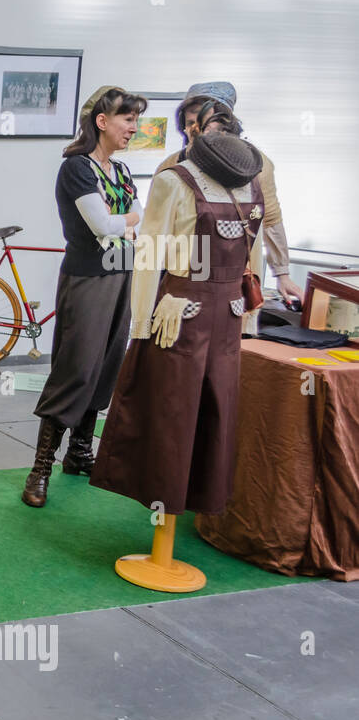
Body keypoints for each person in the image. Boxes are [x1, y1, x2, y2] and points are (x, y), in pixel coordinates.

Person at [90, 131, 265, 518]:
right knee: (172, 414)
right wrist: (140, 325)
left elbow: (255, 252)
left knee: (213, 415)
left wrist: (250, 316)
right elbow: (150, 255)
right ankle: (162, 509)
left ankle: (186, 507)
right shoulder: (175, 180)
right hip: (181, 317)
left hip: (223, 319)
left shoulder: (248, 186)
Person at [22, 86, 147, 508]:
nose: (134, 128)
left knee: (107, 366)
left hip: (121, 274)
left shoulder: (122, 172)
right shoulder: (76, 168)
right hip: (88, 279)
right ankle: (40, 467)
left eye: (135, 120)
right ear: (102, 121)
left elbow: (126, 225)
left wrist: (124, 221)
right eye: (127, 119)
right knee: (75, 368)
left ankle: (79, 453)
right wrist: (128, 218)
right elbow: (104, 226)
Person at [157, 82, 300, 305]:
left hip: (234, 276)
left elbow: (269, 218)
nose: (197, 130)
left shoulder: (257, 166)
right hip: (180, 276)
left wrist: (282, 274)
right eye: (190, 123)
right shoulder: (171, 167)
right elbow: (156, 228)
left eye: (205, 123)